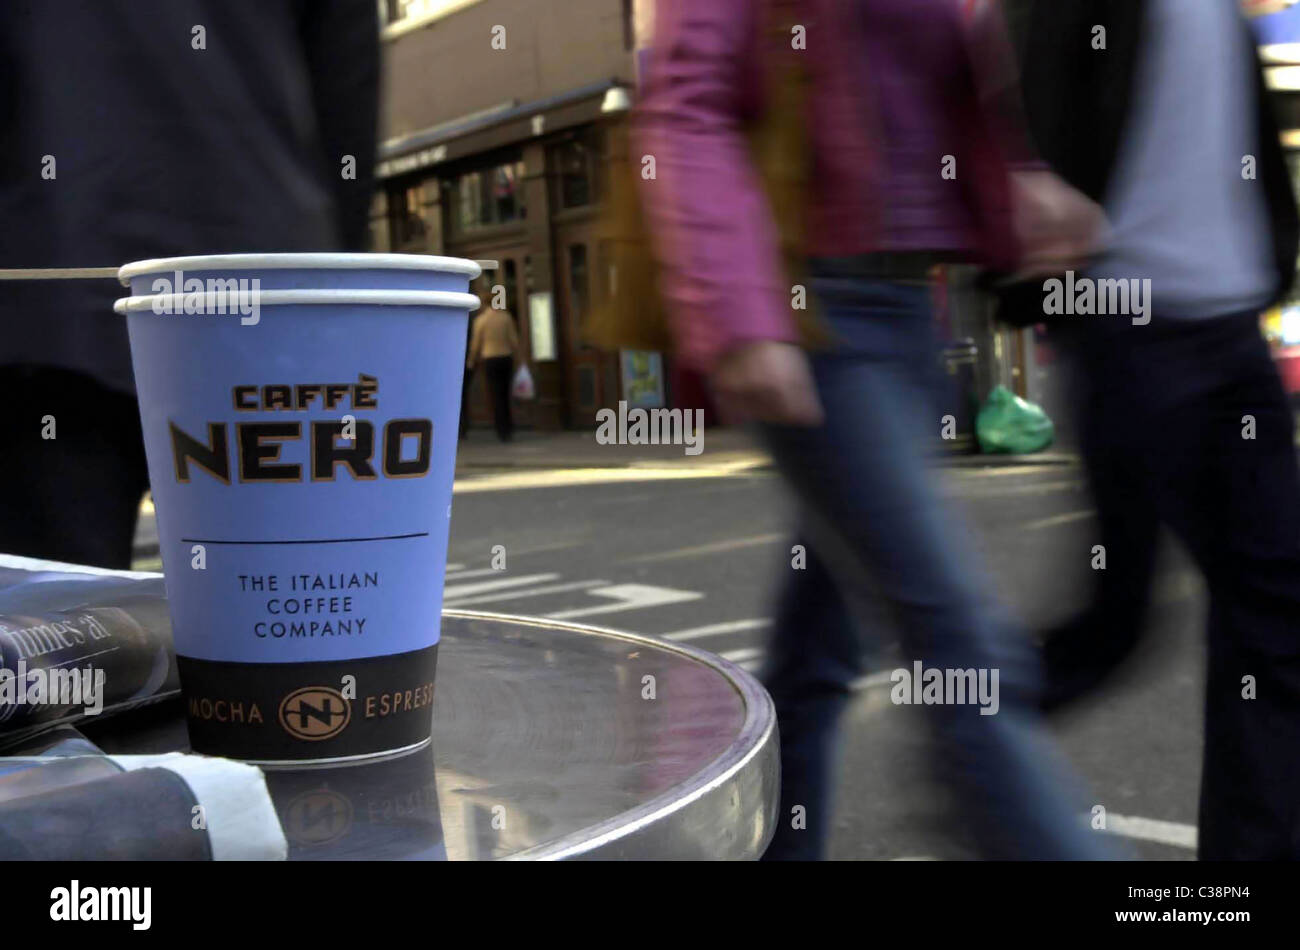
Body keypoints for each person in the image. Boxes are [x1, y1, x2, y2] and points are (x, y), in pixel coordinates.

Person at [636, 0, 1110, 859]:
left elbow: (936, 91)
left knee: (819, 653)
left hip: (912, 312)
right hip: (819, 315)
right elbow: (688, 103)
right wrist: (744, 316)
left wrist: (1019, 179)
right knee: (961, 642)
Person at [1013, 0, 1300, 860]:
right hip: (1129, 324)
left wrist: (1273, 261)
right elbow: (1023, 90)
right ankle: (970, 719)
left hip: (1232, 330)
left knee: (1278, 611)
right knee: (1120, 619)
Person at [0, 0, 379, 569]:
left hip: (52, 283)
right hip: (261, 293)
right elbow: (346, 93)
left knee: (49, 633)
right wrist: (327, 293)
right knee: (275, 609)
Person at [467, 304, 522, 442]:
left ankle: (501, 429)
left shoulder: (481, 320)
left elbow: (475, 344)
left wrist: (471, 361)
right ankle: (509, 428)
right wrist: (519, 358)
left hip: (490, 358)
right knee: (505, 393)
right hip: (506, 358)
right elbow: (514, 340)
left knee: (495, 394)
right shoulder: (506, 318)